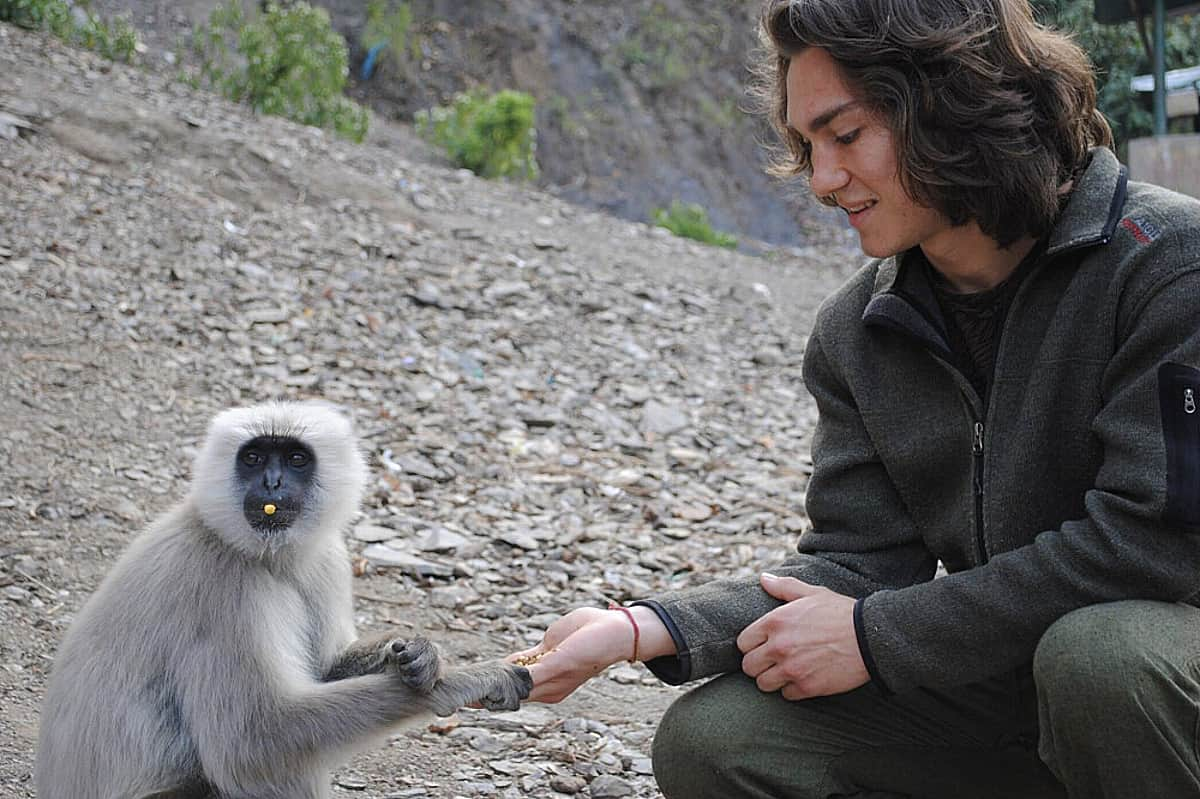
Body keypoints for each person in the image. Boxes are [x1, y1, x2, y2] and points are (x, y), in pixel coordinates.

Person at [511, 1, 1200, 797]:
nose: (824, 180)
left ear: (952, 103)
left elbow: (1153, 549)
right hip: (1013, 682)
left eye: (846, 136)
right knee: (718, 739)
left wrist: (876, 637)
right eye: (808, 146)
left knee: (1098, 655)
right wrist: (641, 627)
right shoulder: (860, 329)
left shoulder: (1168, 266)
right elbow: (857, 562)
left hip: (1157, 671)